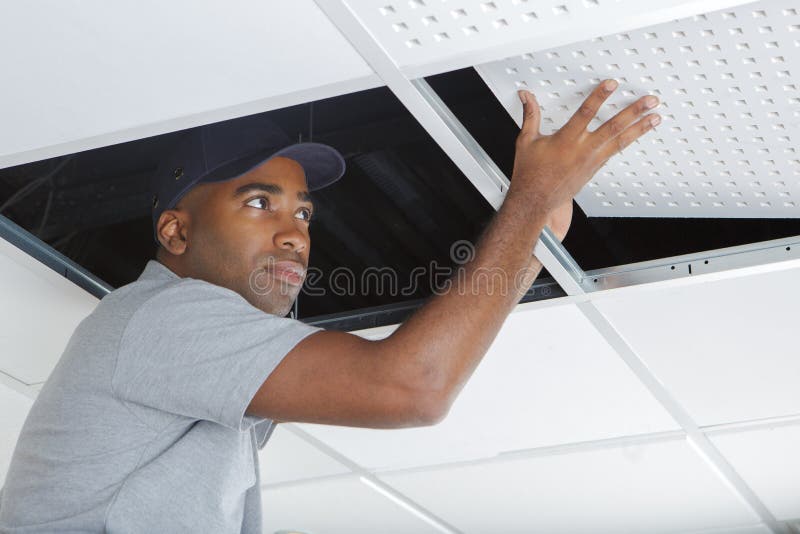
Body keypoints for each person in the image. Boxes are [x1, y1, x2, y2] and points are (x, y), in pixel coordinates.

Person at [0, 80, 660, 532]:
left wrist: (533, 226)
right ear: (176, 232)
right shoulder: (162, 320)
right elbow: (412, 387)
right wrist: (526, 210)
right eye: (259, 203)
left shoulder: (196, 356)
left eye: (304, 212)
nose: (295, 232)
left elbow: (413, 383)